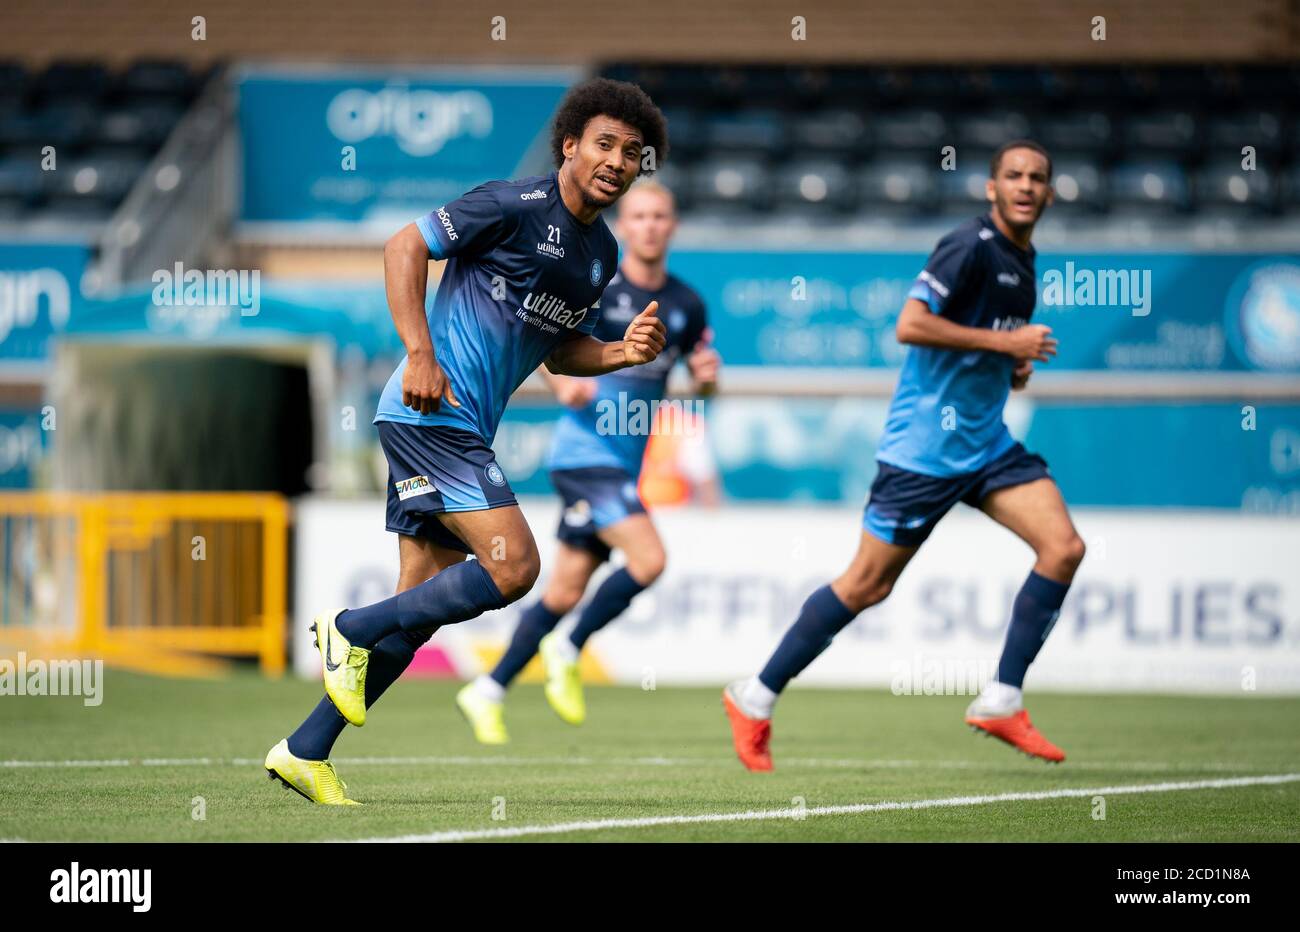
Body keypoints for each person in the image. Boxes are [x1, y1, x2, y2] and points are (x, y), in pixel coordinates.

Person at [723, 140, 1084, 772]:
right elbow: (911, 324)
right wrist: (1003, 346)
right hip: (924, 453)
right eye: (1013, 176)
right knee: (866, 585)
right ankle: (754, 695)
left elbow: (983, 349)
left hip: (986, 445)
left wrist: (1012, 362)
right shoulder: (967, 245)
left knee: (1064, 548)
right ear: (991, 188)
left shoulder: (1025, 262)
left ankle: (1002, 698)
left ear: (1049, 194)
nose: (1026, 186)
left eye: (1037, 178)